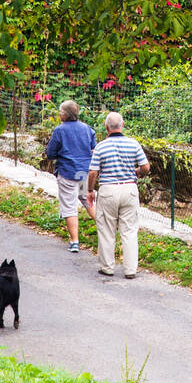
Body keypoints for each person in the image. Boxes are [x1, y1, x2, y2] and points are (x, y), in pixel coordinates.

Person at [87, 111, 150, 279]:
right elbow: (145, 167)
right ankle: (130, 270)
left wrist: (90, 191)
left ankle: (107, 267)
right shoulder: (133, 144)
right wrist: (135, 172)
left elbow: (93, 172)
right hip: (129, 189)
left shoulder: (101, 146)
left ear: (106, 127)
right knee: (129, 230)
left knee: (107, 229)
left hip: (108, 190)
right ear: (122, 125)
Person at [45, 100, 97, 253]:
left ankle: (74, 241)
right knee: (86, 199)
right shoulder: (87, 129)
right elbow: (94, 151)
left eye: (60, 112)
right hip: (84, 172)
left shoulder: (59, 131)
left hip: (67, 172)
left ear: (64, 115)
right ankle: (106, 228)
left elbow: (50, 154)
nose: (59, 115)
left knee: (69, 206)